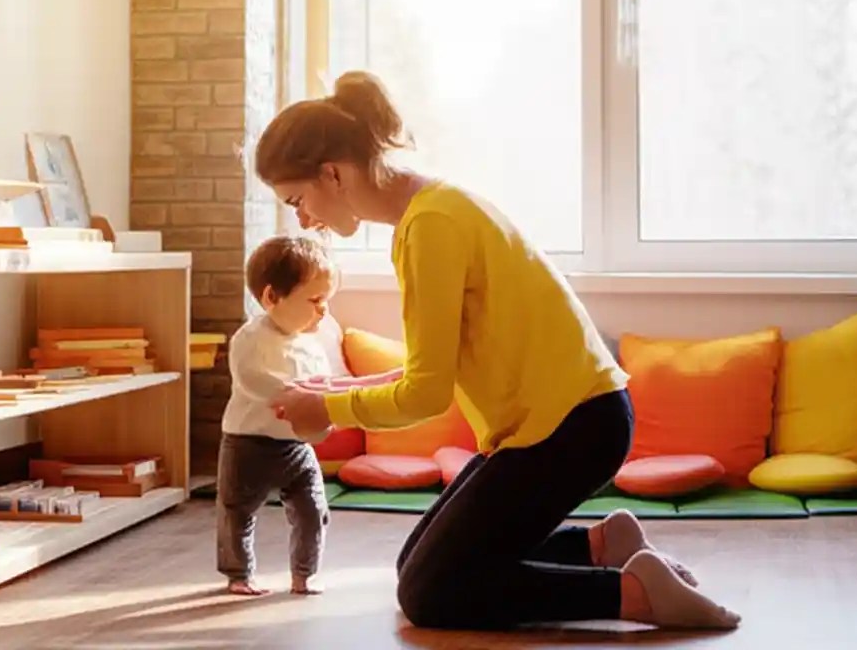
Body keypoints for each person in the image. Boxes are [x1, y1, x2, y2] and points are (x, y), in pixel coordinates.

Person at [253, 70, 741, 631]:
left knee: (430, 592)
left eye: (297, 200)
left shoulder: (429, 228)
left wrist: (332, 411)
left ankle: (636, 595)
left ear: (332, 174)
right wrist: (337, 388)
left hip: (570, 430)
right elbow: (428, 369)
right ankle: (604, 545)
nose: (303, 219)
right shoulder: (434, 207)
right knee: (416, 564)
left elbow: (426, 395)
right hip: (566, 421)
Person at [216, 235, 346, 596]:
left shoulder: (312, 344)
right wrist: (294, 397)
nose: (324, 311)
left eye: (327, 301)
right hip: (247, 443)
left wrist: (326, 410)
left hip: (296, 446)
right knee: (237, 512)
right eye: (315, 300)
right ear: (272, 298)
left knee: (312, 510)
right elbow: (252, 380)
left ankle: (305, 573)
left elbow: (324, 386)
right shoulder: (250, 338)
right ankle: (239, 574)